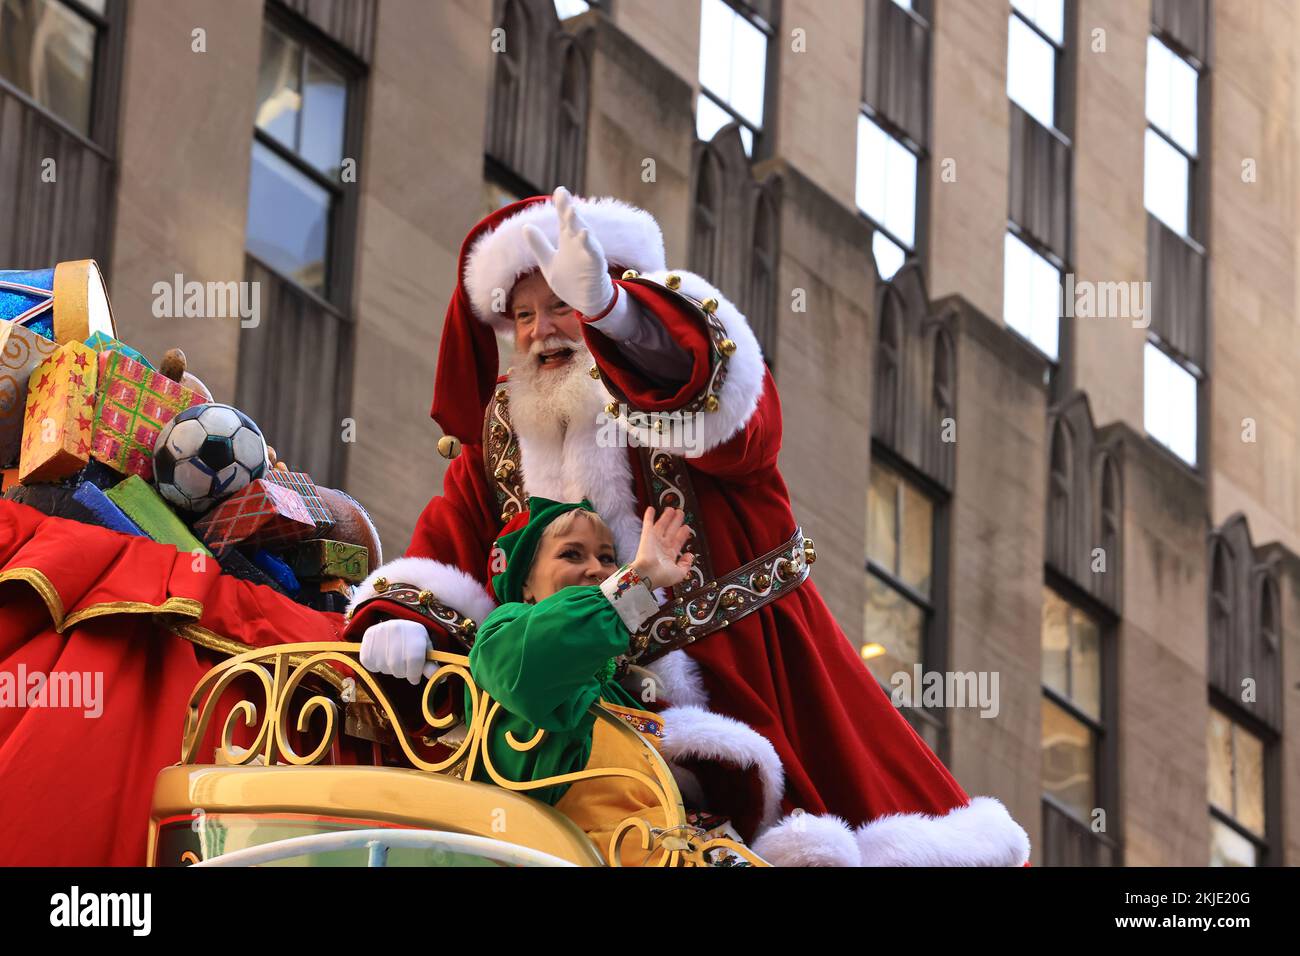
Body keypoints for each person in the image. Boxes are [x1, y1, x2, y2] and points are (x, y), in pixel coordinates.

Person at [346, 187, 1030, 865]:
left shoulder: (667, 393)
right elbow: (448, 544)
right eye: (522, 315)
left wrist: (617, 316)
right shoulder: (503, 432)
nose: (539, 331)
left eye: (559, 305)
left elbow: (739, 415)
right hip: (580, 712)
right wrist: (406, 613)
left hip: (748, 679)